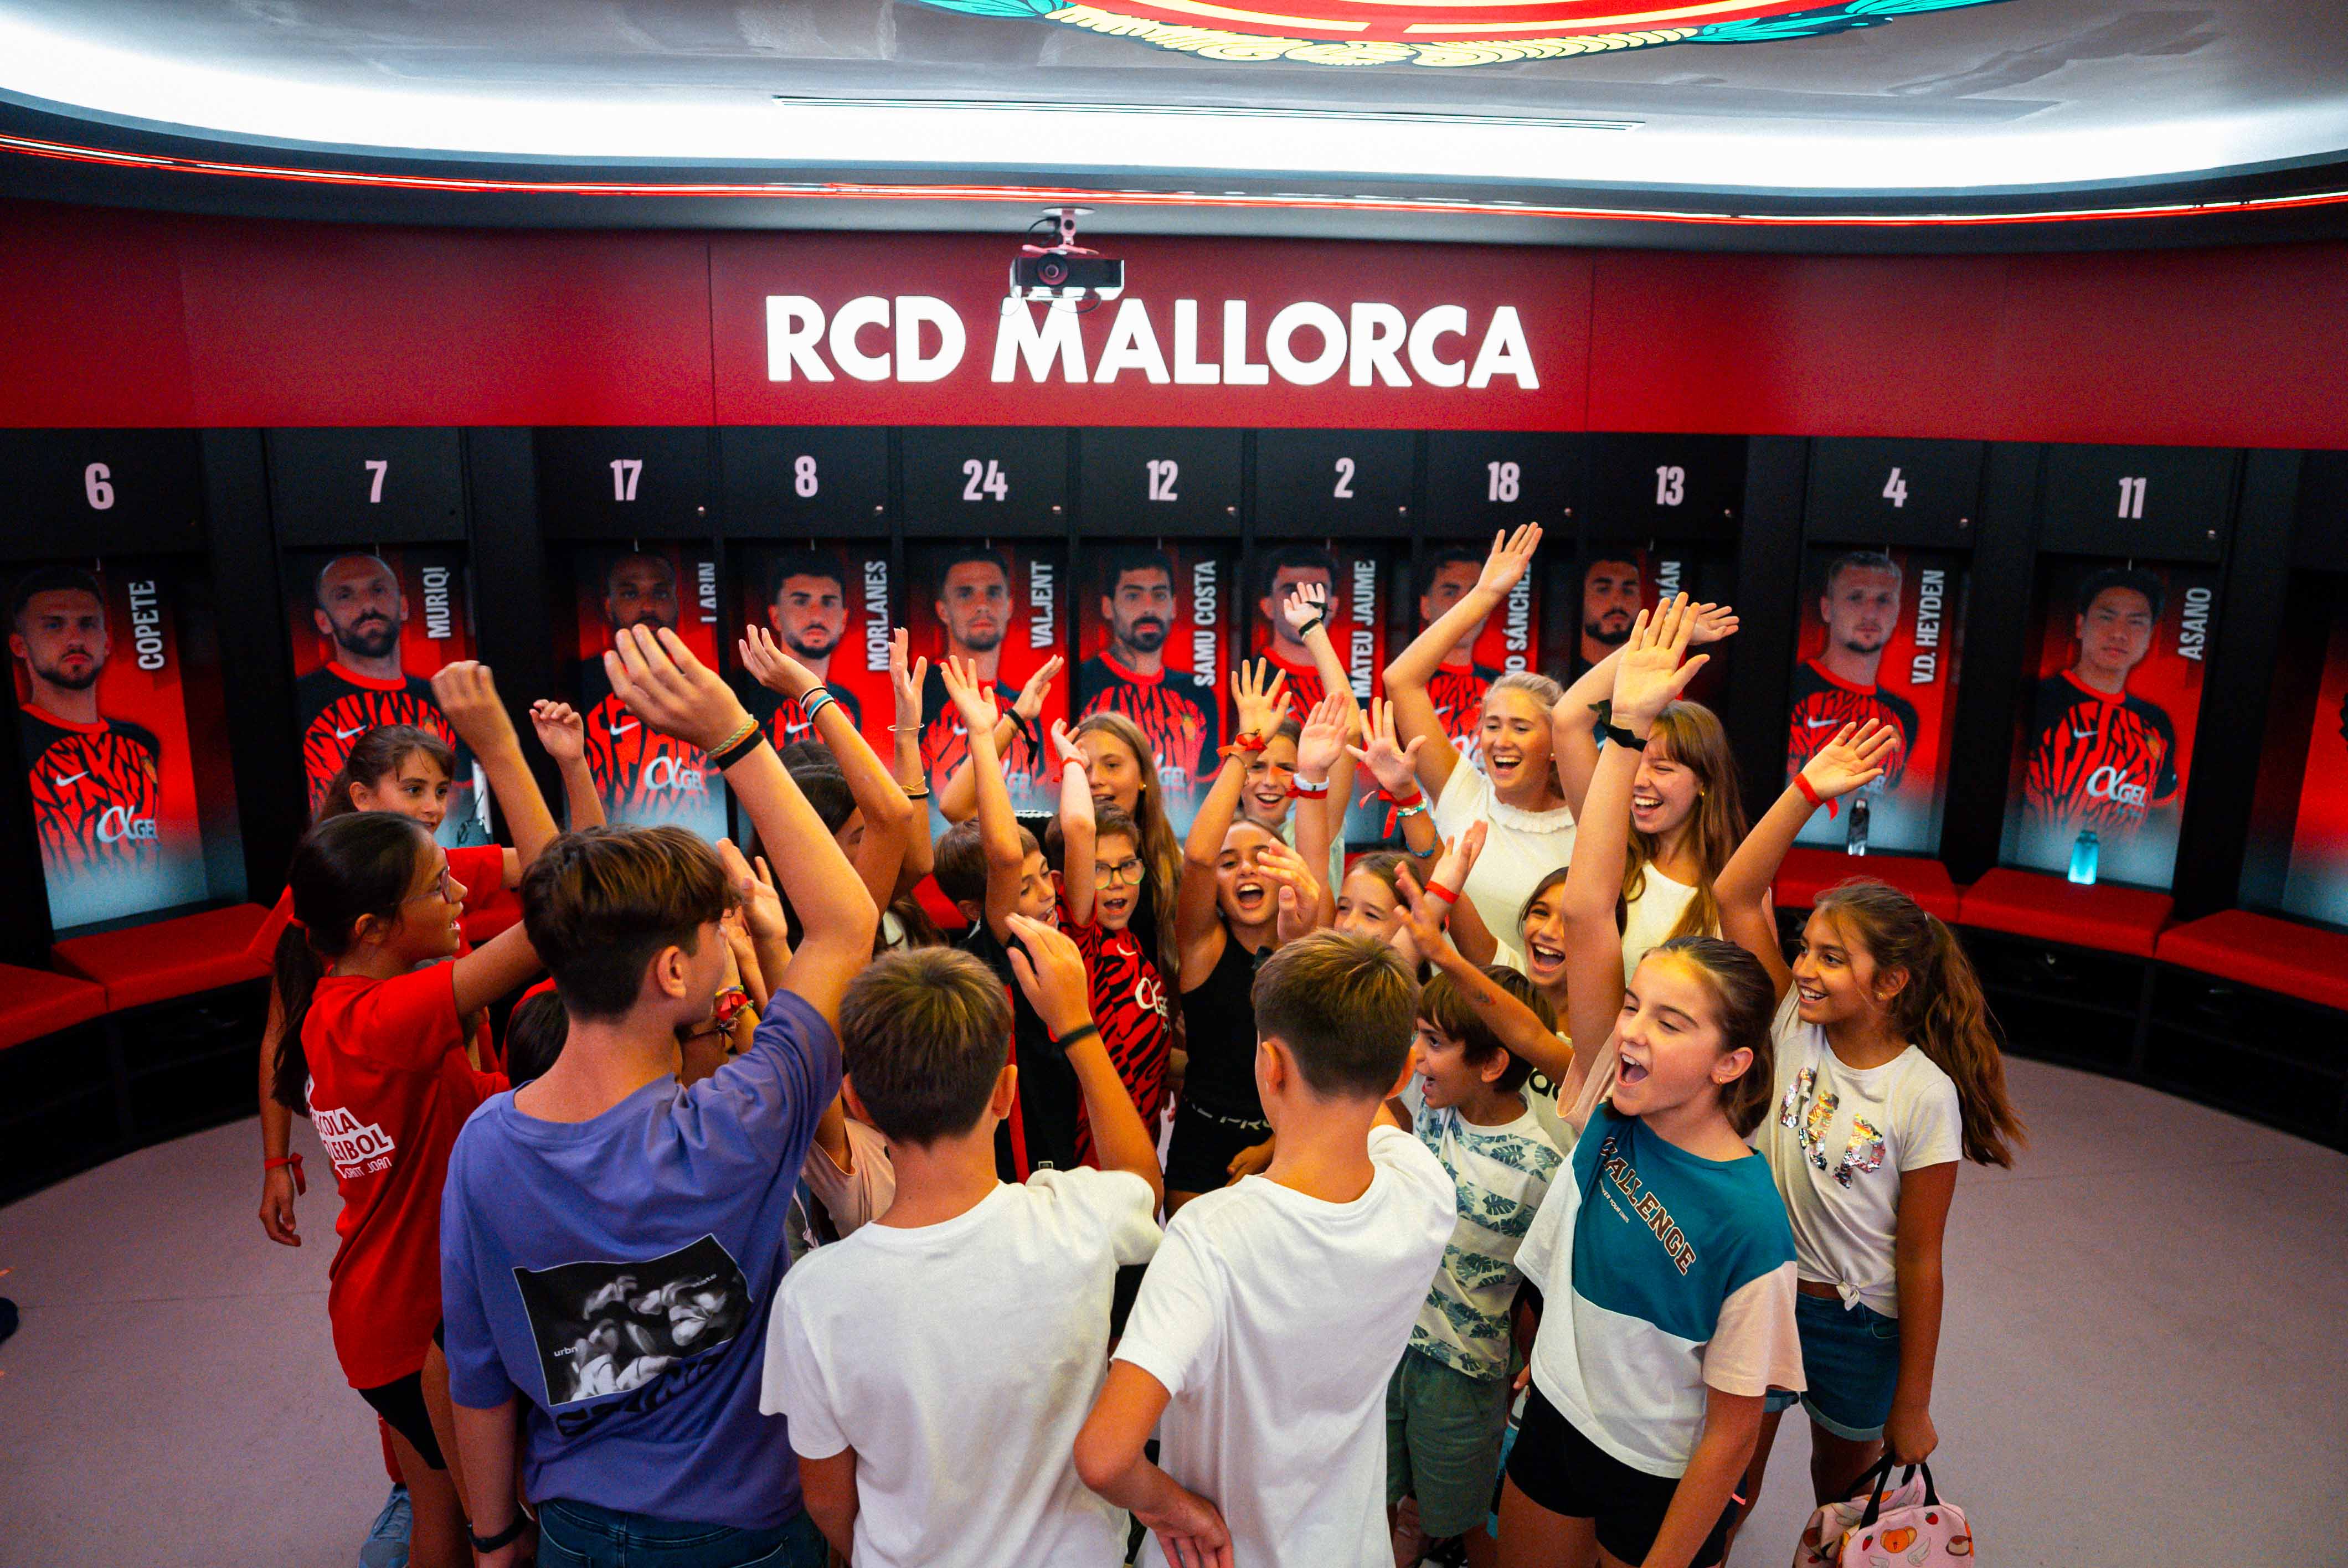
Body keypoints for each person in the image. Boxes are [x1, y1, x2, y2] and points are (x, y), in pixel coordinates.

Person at [440, 623, 877, 1568]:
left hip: (573, 1532)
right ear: (674, 971)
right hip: (746, 1536)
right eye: (716, 931)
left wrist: (495, 1538)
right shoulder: (740, 1123)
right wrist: (733, 733)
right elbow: (846, 922)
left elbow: (476, 1368)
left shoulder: (484, 1144)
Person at [1496, 596, 1801, 1568]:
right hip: (1555, 1416)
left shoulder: (1751, 1221)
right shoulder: (1609, 1107)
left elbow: (1732, 1434)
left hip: (1655, 1469)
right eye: (1631, 1008)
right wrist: (1623, 724)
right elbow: (1588, 910)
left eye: (1669, 1022)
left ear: (1733, 1060)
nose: (1627, 1032)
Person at [269, 662, 559, 1568]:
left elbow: (473, 1108)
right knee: (491, 1527)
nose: (460, 894)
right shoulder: (387, 1018)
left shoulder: (340, 1008)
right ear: (371, 929)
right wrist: (502, 749)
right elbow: (562, 912)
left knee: (442, 1514)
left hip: (380, 1317)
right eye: (438, 888)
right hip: (414, 1327)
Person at [766, 921, 1163, 1568]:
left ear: (856, 1101)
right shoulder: (1076, 1219)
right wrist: (1077, 1027)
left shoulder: (812, 1296)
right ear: (1005, 1092)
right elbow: (1141, 1182)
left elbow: (829, 1502)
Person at [1710, 738, 2025, 1534]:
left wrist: (1912, 1404)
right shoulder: (1792, 1022)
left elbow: (1920, 1259)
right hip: (1766, 1296)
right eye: (1804, 950)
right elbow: (1735, 891)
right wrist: (1805, 792)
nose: (1804, 969)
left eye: (1831, 959)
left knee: (1843, 1502)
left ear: (1889, 983)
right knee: (1724, 1488)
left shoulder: (1922, 1095)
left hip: (1859, 1328)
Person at [1075, 931, 1455, 1568]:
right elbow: (1373, 1102)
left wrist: (1173, 1507)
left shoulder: (1211, 1237)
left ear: (1270, 1064)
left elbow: (1104, 1458)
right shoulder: (1426, 1189)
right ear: (1399, 1073)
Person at [1386, 964, 1564, 1568]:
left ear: (1491, 1064)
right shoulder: (1434, 1107)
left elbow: (1550, 1285)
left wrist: (1541, 1357)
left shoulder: (1541, 1167)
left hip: (1461, 1376)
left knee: (1463, 1520)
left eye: (1434, 1042)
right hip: (1389, 1345)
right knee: (1376, 1497)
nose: (1417, 1056)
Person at [1163, 663, 1322, 1211]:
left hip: (1288, 1138)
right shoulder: (1202, 947)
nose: (1247, 869)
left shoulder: (1304, 943)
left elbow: (1319, 1074)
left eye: (1262, 857)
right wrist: (1245, 746)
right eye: (1230, 863)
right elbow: (1198, 856)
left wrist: (1274, 1146)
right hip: (1201, 1138)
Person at [1383, 527, 1575, 968]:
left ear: (1555, 744)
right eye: (1492, 725)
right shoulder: (1464, 791)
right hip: (1444, 1006)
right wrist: (1485, 594)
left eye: (1521, 728)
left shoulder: (1586, 823)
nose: (1501, 741)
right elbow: (1401, 680)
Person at [936, 655, 1083, 1179]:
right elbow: (996, 849)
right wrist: (986, 732)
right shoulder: (996, 943)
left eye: (1046, 875)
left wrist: (1016, 718)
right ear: (975, 910)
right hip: (1027, 1147)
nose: (1049, 893)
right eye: (1025, 887)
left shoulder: (1036, 868)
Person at [1057, 736, 1175, 1164]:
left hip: (1142, 1152)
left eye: (1127, 865)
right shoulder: (1082, 943)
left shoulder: (1132, 945)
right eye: (1098, 870)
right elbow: (1079, 828)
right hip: (1096, 1165)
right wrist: (1072, 762)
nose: (1117, 882)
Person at [9, 565, 161, 889]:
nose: (76, 639)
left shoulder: (142, 744)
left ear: (106, 642)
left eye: (88, 623)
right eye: (54, 625)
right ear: (20, 645)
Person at [292, 553, 469, 826]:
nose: (367, 605)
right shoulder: (297, 701)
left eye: (378, 590)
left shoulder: (446, 699)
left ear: (404, 607)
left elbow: (467, 803)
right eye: (345, 595)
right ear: (323, 621)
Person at [2021, 566, 2179, 838]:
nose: (2119, 634)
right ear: (2080, 625)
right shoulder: (2035, 699)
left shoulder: (2156, 723)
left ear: (2150, 638)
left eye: (2136, 622)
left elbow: (2164, 816)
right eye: (2107, 618)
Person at [576, 550, 717, 828]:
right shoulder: (577, 686)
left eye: (660, 594)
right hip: (607, 848)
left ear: (677, 605)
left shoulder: (704, 688)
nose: (648, 606)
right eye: (631, 594)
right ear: (609, 607)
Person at [1076, 546, 1219, 800]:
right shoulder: (1080, 683)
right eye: (1133, 596)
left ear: (1174, 606)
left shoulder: (1198, 695)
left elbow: (1207, 797)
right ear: (1108, 607)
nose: (1149, 608)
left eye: (1159, 595)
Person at [918, 548, 1049, 795]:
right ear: (943, 611)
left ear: (1009, 607)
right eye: (966, 594)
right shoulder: (918, 695)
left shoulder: (1025, 707)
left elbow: (1038, 800)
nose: (982, 605)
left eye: (993, 593)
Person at [1785, 552, 1917, 788]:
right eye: (1856, 597)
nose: (1870, 613)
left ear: (1897, 612)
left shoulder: (1904, 716)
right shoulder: (1790, 688)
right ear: (1827, 609)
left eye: (1883, 600)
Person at [743, 550, 864, 749]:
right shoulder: (745, 696)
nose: (817, 616)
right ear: (776, 617)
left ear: (844, 619)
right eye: (801, 601)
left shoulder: (848, 703)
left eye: (828, 602)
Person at [1415, 545, 1508, 762]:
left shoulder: (1503, 687)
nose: (1465, 604)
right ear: (1426, 606)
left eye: (1475, 594)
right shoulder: (1404, 684)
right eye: (1450, 592)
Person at [1253, 545, 1340, 713]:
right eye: (1291, 591)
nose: (1305, 602)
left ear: (1334, 605)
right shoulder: (1251, 680)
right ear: (1267, 606)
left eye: (1316, 591)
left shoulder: (1350, 685)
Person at [1576, 548, 1642, 671]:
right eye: (1603, 589)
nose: (1618, 602)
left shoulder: (1650, 676)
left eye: (1628, 590)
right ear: (1581, 597)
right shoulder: (1559, 673)